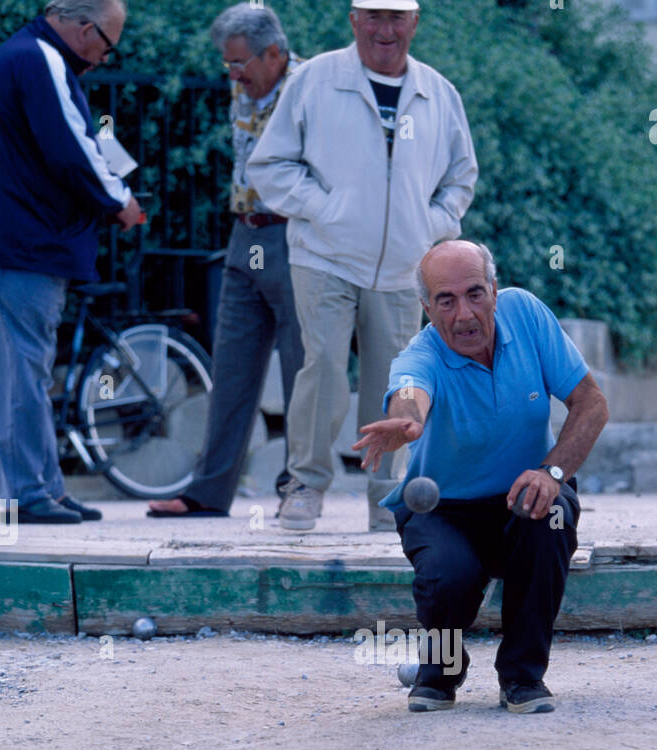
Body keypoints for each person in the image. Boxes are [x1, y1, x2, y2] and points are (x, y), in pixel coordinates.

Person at [247, 1, 478, 532]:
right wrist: (327, 209)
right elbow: (270, 164)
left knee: (397, 380)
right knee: (324, 364)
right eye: (373, 16)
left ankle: (386, 492)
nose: (385, 29)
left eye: (397, 18)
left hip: (404, 263)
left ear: (415, 24)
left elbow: (462, 177)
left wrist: (429, 226)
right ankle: (305, 483)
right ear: (353, 21)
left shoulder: (439, 93)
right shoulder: (314, 80)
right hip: (324, 254)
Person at [354, 240, 609, 713]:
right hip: (443, 509)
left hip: (527, 491)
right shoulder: (419, 354)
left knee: (549, 513)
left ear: (494, 289)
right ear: (427, 308)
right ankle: (441, 671)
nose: (464, 313)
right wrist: (407, 419)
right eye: (445, 301)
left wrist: (551, 472)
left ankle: (522, 677)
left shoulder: (526, 314)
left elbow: (591, 403)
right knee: (450, 574)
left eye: (474, 293)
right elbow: (410, 392)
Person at [0, 0, 143, 524]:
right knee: (22, 372)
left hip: (22, 243)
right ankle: (30, 496)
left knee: (25, 370)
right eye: (107, 43)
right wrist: (120, 201)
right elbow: (72, 146)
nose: (103, 58)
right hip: (26, 245)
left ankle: (44, 489)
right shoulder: (39, 59)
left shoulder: (24, 55)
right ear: (83, 27)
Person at [148, 4, 304, 519]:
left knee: (302, 368)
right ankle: (208, 493)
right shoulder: (245, 87)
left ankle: (298, 489)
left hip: (296, 238)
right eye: (228, 64)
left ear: (275, 53)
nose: (233, 74)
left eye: (241, 63)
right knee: (231, 366)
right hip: (246, 234)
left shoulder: (312, 89)